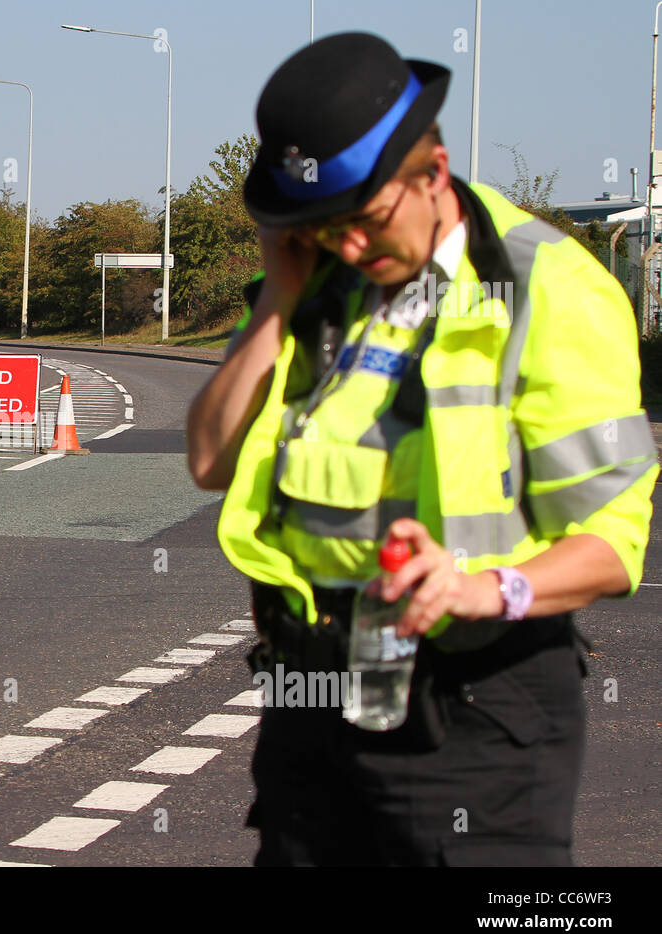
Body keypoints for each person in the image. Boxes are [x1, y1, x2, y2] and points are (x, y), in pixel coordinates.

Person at [186, 32, 657, 866]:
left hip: (477, 711)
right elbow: (210, 460)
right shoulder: (319, 279)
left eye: (366, 223)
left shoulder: (553, 290)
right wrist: (278, 301)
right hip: (315, 696)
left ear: (432, 173)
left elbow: (611, 547)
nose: (351, 250)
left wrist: (483, 587)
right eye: (324, 229)